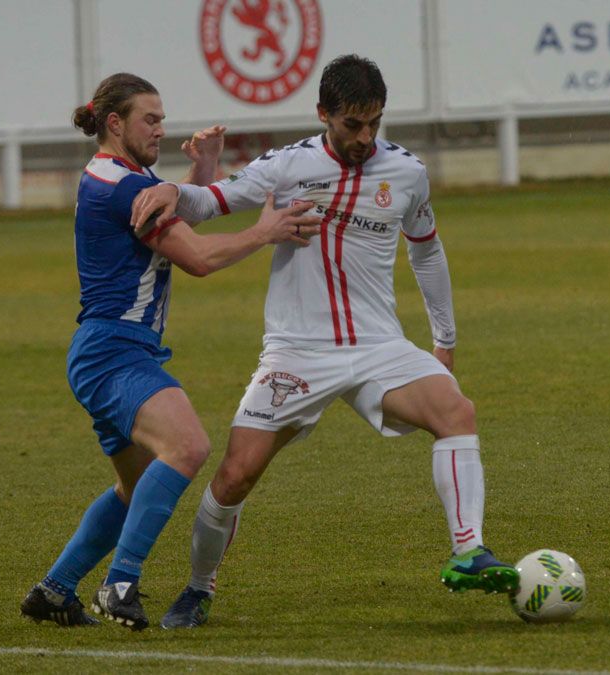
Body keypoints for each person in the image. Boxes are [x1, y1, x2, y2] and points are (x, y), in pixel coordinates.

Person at [129, 55, 519, 630]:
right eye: (352, 125)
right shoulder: (288, 165)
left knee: (456, 412)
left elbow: (426, 250)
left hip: (378, 345)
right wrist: (171, 192)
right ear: (323, 115)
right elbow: (215, 200)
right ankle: (197, 589)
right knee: (235, 475)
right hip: (297, 351)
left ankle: (468, 550)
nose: (364, 137)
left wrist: (445, 339)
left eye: (374, 124)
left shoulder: (407, 173)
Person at [19, 72, 320, 630]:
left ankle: (55, 589)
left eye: (161, 119)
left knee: (135, 488)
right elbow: (199, 258)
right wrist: (266, 231)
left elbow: (175, 216)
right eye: (149, 120)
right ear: (115, 123)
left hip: (107, 350)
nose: (160, 128)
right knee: (187, 446)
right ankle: (121, 584)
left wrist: (200, 173)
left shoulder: (121, 175)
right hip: (114, 353)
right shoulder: (126, 187)